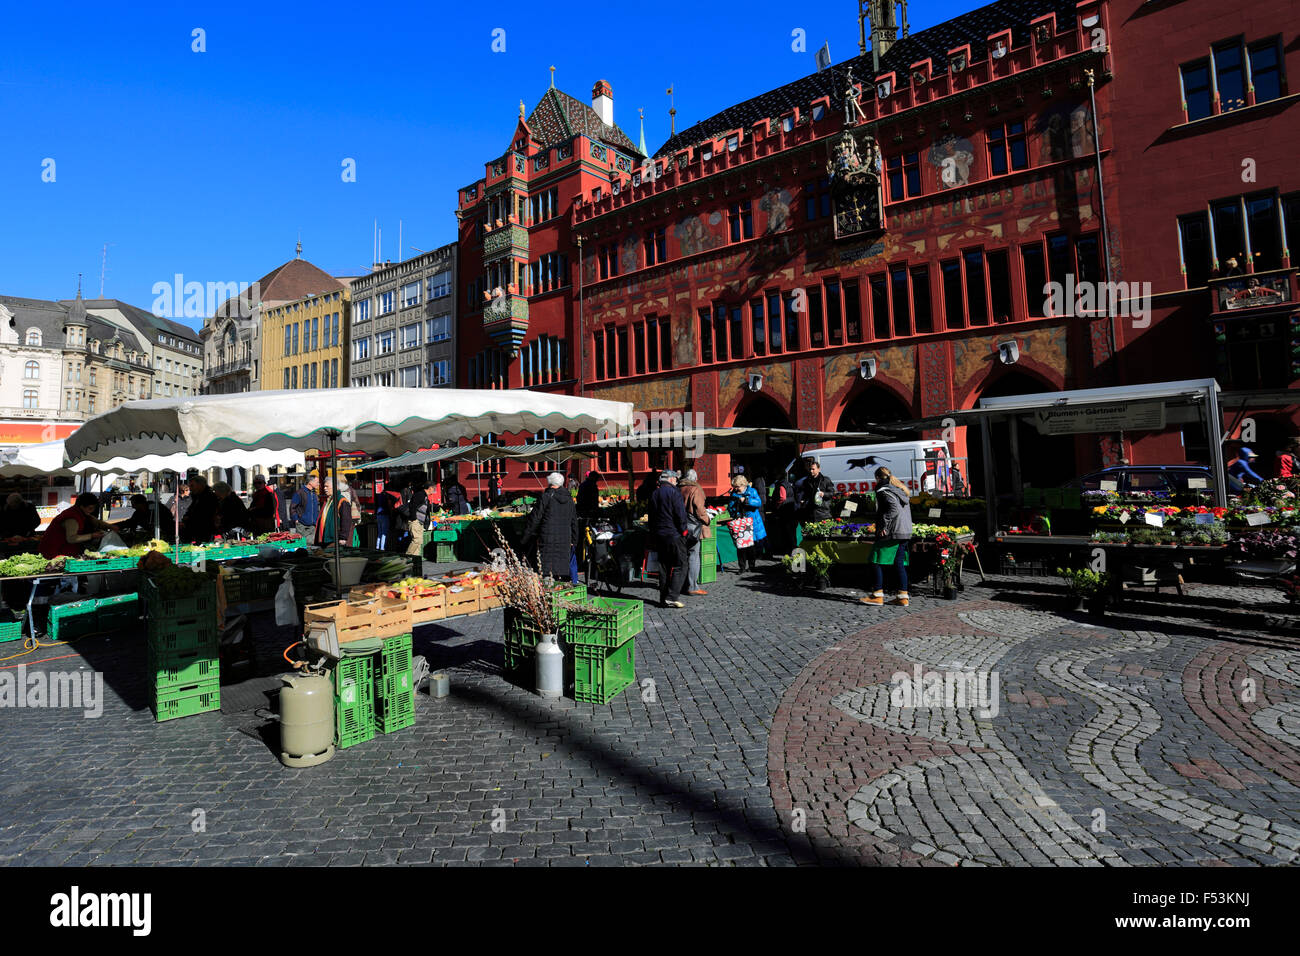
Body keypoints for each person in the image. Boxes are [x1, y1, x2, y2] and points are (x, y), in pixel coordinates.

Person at [861, 466, 912, 607]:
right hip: (904, 531)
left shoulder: (884, 490)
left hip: (893, 532)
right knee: (899, 564)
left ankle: (877, 595)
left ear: (877, 478)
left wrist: (884, 526)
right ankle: (903, 597)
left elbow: (893, 509)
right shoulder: (899, 489)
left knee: (875, 559)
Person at [522, 472, 579, 582]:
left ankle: (549, 592)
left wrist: (525, 537)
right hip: (564, 539)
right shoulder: (569, 499)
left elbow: (535, 519)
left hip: (547, 539)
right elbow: (574, 521)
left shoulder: (546, 496)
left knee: (547, 570)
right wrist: (574, 540)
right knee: (561, 570)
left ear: (550, 483)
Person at [648, 471, 689, 608]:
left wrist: (653, 533)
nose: (676, 482)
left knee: (664, 567)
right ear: (671, 479)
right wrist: (684, 530)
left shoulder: (654, 493)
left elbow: (652, 517)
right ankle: (671, 597)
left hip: (659, 535)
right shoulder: (674, 492)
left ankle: (663, 598)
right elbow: (680, 514)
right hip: (674, 534)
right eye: (676, 479)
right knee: (681, 564)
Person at [40, 492, 111, 559]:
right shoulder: (72, 517)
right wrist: (92, 535)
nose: (92, 511)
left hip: (65, 550)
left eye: (93, 508)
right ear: (82, 506)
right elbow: (71, 538)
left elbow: (96, 521)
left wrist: (111, 527)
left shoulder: (82, 512)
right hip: (55, 552)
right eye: (90, 508)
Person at [678, 468, 710, 596]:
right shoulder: (695, 489)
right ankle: (692, 586)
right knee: (693, 555)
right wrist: (707, 519)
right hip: (693, 528)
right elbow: (700, 510)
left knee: (683, 555)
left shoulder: (678, 488)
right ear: (696, 479)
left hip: (680, 526)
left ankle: (681, 584)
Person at [728, 474, 767, 572]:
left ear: (743, 485)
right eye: (735, 487)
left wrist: (746, 500)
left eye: (738, 487)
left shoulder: (752, 491)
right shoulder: (734, 494)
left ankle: (751, 566)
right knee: (740, 545)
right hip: (740, 522)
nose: (736, 489)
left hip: (752, 522)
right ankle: (742, 567)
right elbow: (730, 508)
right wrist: (735, 511)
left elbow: (758, 503)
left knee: (751, 545)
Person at [317, 477, 357, 547]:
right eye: (324, 486)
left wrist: (343, 537)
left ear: (334, 486)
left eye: (327, 486)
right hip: (327, 539)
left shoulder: (342, 501)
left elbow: (346, 520)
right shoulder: (328, 500)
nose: (324, 488)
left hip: (334, 540)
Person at [180, 476, 219, 544]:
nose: (190, 489)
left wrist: (189, 519)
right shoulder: (196, 496)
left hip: (204, 532)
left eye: (192, 486)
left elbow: (203, 515)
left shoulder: (209, 497)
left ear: (201, 485)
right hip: (195, 531)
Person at [797, 457, 836, 523]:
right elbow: (805, 494)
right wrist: (803, 500)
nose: (811, 471)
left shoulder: (825, 480)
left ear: (818, 469)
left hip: (823, 512)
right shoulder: (806, 481)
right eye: (810, 469)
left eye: (813, 469)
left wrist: (824, 494)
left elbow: (832, 493)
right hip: (810, 513)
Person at [406, 480, 439, 557]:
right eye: (434, 488)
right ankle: (408, 556)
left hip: (420, 522)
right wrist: (414, 519)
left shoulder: (424, 496)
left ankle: (415, 559)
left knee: (419, 541)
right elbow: (412, 506)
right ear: (430, 488)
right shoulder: (420, 495)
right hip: (415, 521)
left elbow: (427, 507)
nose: (434, 490)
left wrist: (438, 507)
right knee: (416, 540)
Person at [375, 482, 403, 550]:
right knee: (384, 533)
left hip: (378, 515)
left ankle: (377, 547)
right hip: (385, 515)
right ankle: (382, 548)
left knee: (380, 532)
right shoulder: (388, 495)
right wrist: (391, 514)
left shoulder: (380, 494)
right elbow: (389, 505)